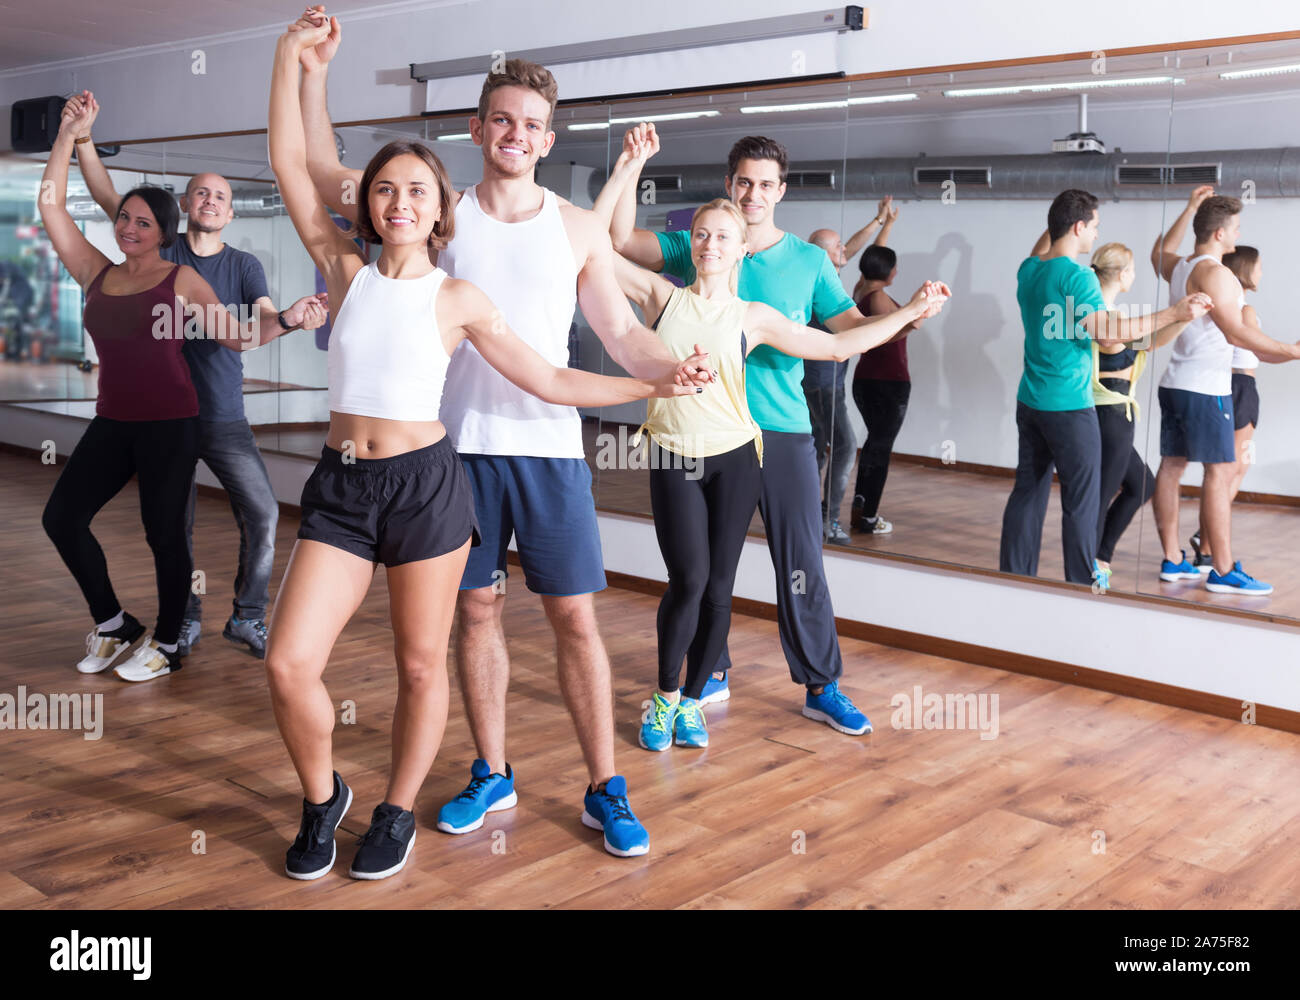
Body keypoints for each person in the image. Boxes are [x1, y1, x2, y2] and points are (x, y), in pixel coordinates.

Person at [289, 7, 713, 861]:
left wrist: (665, 370)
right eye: (502, 120)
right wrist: (314, 73)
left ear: (547, 140)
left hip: (549, 449)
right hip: (448, 455)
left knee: (574, 622)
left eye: (531, 125)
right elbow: (321, 167)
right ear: (478, 128)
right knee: (474, 618)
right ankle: (491, 769)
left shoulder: (577, 227)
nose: (515, 134)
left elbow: (619, 338)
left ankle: (604, 787)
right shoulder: (437, 212)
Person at [600, 143, 946, 750]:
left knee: (800, 563)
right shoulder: (701, 242)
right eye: (743, 183)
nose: (752, 195)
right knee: (705, 571)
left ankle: (820, 684)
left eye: (764, 184)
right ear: (729, 185)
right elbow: (621, 241)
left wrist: (907, 316)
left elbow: (840, 336)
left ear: (780, 190)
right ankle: (706, 678)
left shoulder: (809, 261)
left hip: (781, 430)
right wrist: (632, 166)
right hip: (699, 434)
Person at [39, 93, 292, 684]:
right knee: (62, 518)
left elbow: (238, 339)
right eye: (123, 218)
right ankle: (113, 624)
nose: (128, 227)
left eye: (142, 222)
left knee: (163, 533)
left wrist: (290, 319)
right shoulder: (96, 271)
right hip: (112, 422)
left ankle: (172, 639)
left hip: (171, 423)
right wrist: (68, 134)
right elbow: (51, 207)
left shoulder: (183, 279)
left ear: (163, 233)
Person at [999, 189, 1209, 585]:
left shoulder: (1029, 271)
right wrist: (1175, 312)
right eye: (1093, 226)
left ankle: (1014, 579)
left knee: (1028, 490)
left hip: (1030, 401)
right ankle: (1080, 584)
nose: (1095, 235)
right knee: (1082, 500)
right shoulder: (1077, 276)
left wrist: (1057, 216)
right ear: (1078, 226)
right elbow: (1109, 334)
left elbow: (1042, 245)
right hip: (1068, 406)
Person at [1150, 187, 1300, 594]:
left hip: (1176, 383)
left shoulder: (1181, 266)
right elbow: (1237, 333)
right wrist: (1291, 350)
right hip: (1205, 389)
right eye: (1235, 227)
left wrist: (1190, 208)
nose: (1237, 233)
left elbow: (1158, 250)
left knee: (1171, 468)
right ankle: (1222, 569)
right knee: (1219, 474)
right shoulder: (1217, 274)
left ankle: (1173, 559)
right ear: (1219, 234)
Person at [1088, 243, 1195, 587]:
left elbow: (1149, 342)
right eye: (1133, 270)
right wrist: (1173, 314)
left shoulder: (1114, 317)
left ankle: (1100, 554)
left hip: (1117, 413)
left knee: (1142, 484)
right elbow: (1122, 342)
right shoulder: (1102, 317)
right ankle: (1091, 564)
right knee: (1101, 493)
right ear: (1122, 275)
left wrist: (1185, 317)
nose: (1135, 276)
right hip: (1109, 414)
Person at [803, 197, 893, 542]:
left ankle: (809, 515)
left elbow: (849, 250)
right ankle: (826, 520)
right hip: (822, 382)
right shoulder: (818, 284)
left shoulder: (827, 272)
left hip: (824, 381)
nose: (845, 249)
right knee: (843, 447)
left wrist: (879, 221)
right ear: (823, 255)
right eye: (837, 246)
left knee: (817, 445)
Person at [849, 203, 928, 536]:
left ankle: (862, 507)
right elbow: (885, 336)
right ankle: (867, 516)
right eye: (894, 267)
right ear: (890, 271)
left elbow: (875, 255)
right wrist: (915, 318)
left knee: (874, 445)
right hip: (888, 383)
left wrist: (888, 224)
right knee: (880, 447)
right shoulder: (881, 298)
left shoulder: (862, 288)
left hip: (866, 382)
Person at [1188, 245, 1263, 572]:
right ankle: (1206, 545)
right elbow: (1254, 344)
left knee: (1227, 471)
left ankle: (1205, 542)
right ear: (1246, 270)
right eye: (1259, 267)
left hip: (1235, 387)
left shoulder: (1233, 307)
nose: (1262, 272)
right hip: (1240, 387)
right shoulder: (1243, 310)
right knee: (1229, 472)